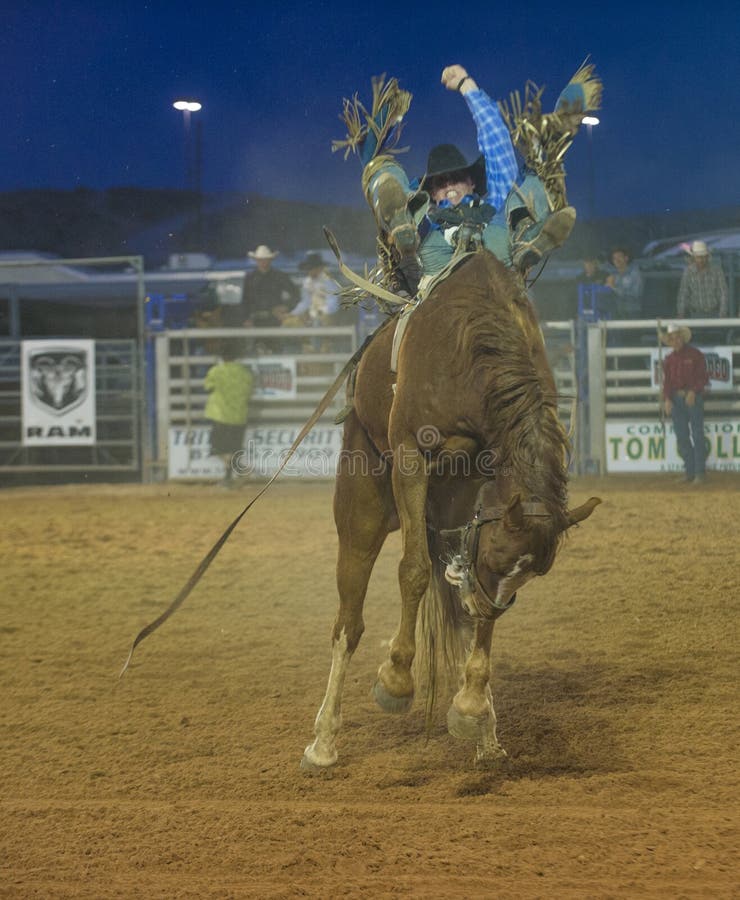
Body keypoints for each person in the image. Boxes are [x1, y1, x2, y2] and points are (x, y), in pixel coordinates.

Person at [337, 64, 601, 293]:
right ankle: (398, 219)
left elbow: (496, 142)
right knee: (388, 176)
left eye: (455, 179)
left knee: (528, 180)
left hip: (496, 253)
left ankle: (526, 237)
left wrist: (467, 84)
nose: (449, 186)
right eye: (440, 183)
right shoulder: (426, 216)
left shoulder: (494, 206)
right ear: (432, 194)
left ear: (472, 183)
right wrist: (385, 128)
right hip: (432, 264)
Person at [660, 323, 709, 485]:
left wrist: (693, 392)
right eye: (672, 338)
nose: (676, 340)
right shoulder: (668, 360)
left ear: (682, 338)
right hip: (676, 399)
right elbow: (667, 382)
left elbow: (703, 378)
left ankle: (699, 473)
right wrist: (667, 399)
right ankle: (690, 472)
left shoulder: (696, 355)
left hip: (692, 398)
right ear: (670, 341)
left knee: (697, 434)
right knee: (682, 436)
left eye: (678, 337)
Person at [204, 341, 254, 488]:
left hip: (220, 414)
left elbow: (208, 386)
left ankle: (239, 471)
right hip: (239, 416)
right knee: (233, 448)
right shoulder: (245, 373)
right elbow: (249, 391)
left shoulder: (216, 371)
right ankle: (229, 478)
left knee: (218, 448)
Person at [241, 245, 299, 327]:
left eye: (265, 259)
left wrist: (286, 307)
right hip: (255, 319)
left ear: (271, 260)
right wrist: (245, 319)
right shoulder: (250, 278)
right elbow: (245, 300)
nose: (263, 262)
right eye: (260, 260)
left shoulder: (279, 276)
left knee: (275, 338)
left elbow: (296, 294)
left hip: (275, 320)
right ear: (256, 260)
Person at [677, 240, 728, 318]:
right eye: (699, 257)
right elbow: (683, 294)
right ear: (694, 258)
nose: (701, 260)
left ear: (707, 257)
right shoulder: (688, 272)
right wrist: (681, 313)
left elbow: (723, 293)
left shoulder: (717, 270)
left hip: (714, 313)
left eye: (704, 257)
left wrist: (723, 313)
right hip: (695, 314)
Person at [286, 252, 340, 325]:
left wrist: (319, 312)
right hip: (312, 314)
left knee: (322, 320)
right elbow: (305, 302)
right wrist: (293, 313)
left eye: (312, 268)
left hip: (328, 315)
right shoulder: (307, 282)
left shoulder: (328, 281)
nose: (309, 271)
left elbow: (333, 303)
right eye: (308, 269)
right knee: (290, 322)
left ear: (319, 268)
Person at [605, 247, 644, 318]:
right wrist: (606, 287)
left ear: (626, 258)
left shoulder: (634, 273)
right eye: (614, 258)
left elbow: (636, 294)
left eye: (619, 257)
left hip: (632, 311)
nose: (617, 260)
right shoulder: (613, 275)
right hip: (616, 312)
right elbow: (607, 296)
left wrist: (614, 288)